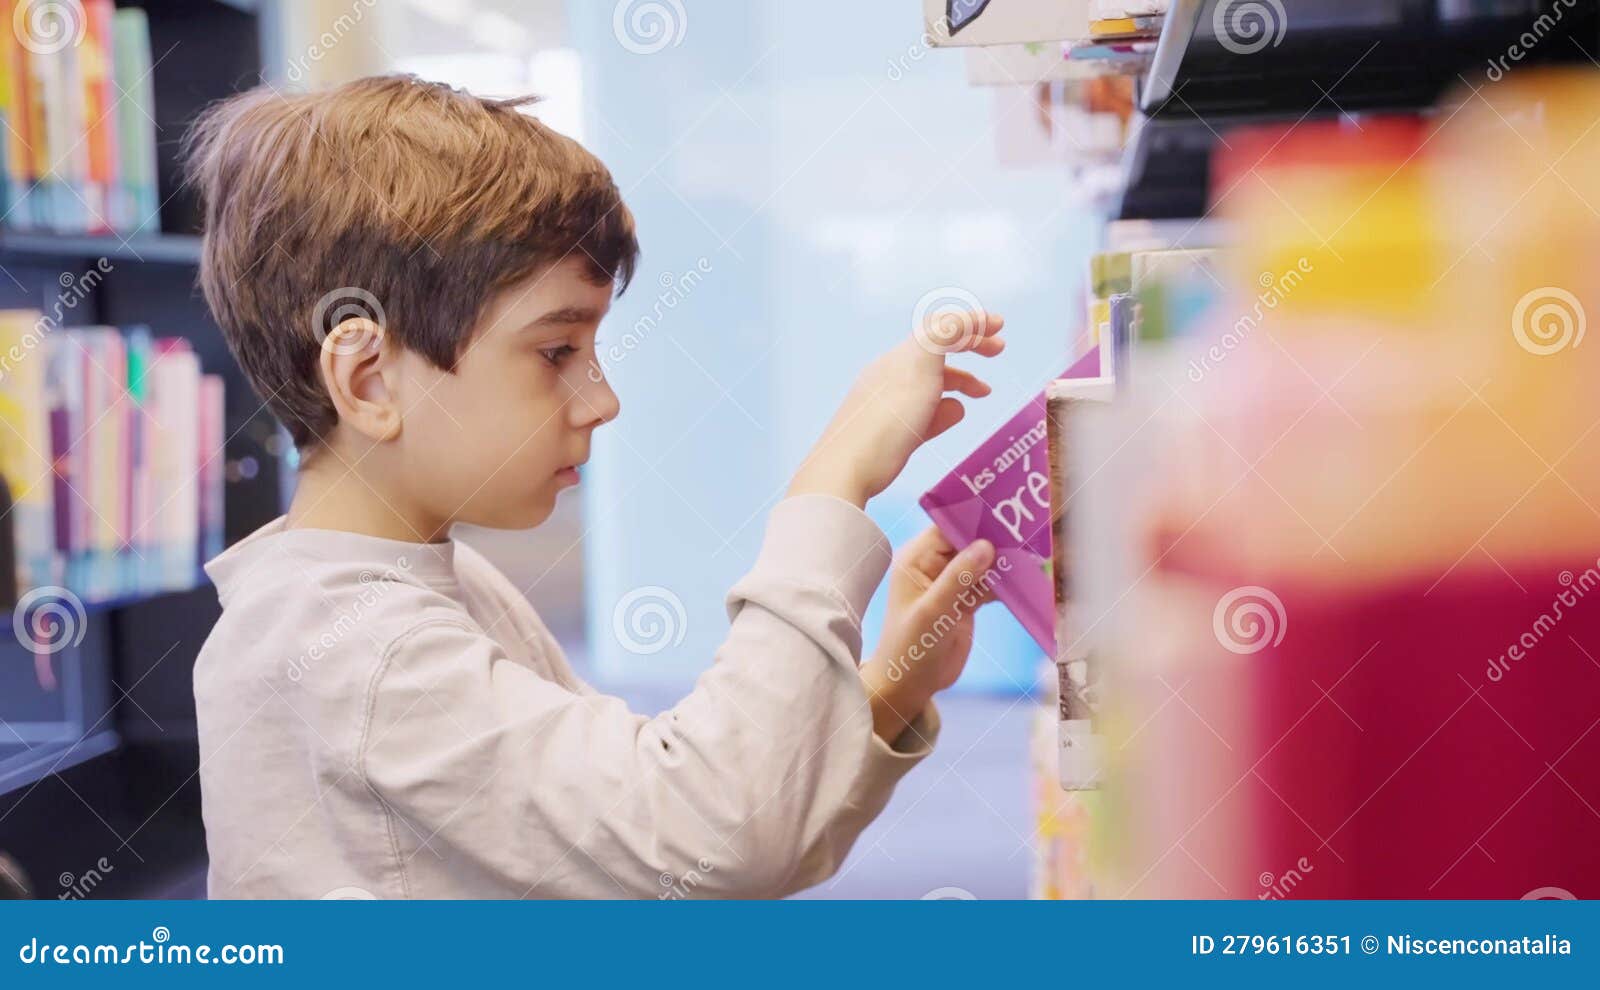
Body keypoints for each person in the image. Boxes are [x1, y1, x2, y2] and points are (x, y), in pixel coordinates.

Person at [186, 75, 1004, 898]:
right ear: (368, 382)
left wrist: (899, 681)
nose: (602, 401)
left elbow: (657, 851)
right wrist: (831, 483)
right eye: (556, 353)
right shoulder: (358, 649)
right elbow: (712, 833)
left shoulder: (428, 586)